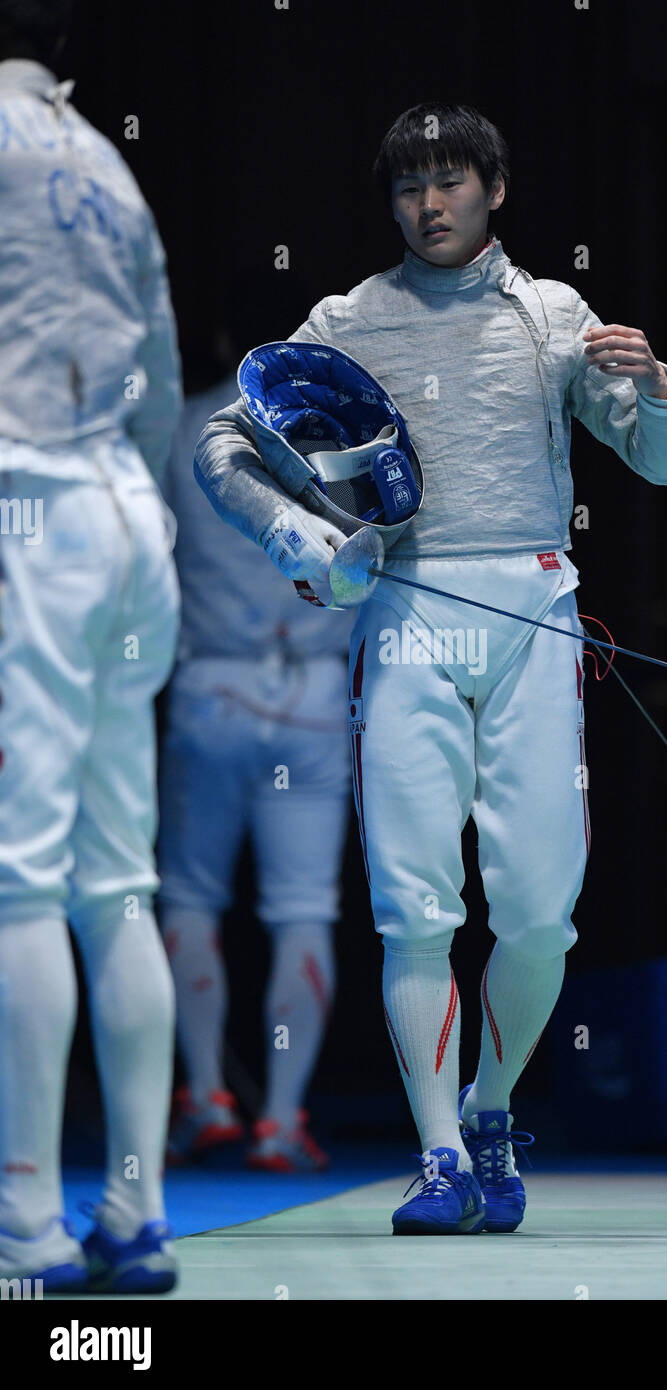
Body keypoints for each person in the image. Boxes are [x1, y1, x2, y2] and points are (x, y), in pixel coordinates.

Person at [194, 102, 667, 1235]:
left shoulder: (549, 315)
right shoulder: (347, 317)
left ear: (493, 189)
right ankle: (434, 1155)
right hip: (409, 615)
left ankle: (487, 1108)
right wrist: (310, 545)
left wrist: (661, 389)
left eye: (450, 180)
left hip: (532, 612)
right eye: (408, 187)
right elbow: (219, 446)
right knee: (412, 909)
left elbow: (662, 467)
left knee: (537, 915)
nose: (429, 204)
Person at [0, 0, 182, 1289]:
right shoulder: (110, 167)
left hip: (35, 506)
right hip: (130, 519)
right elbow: (163, 378)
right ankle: (135, 1210)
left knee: (17, 875)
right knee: (113, 880)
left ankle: (25, 1220)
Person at [158, 363, 355, 1173]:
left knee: (189, 897)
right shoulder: (351, 428)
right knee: (302, 907)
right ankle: (278, 1120)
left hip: (212, 688)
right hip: (312, 696)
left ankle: (206, 1096)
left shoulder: (185, 425)